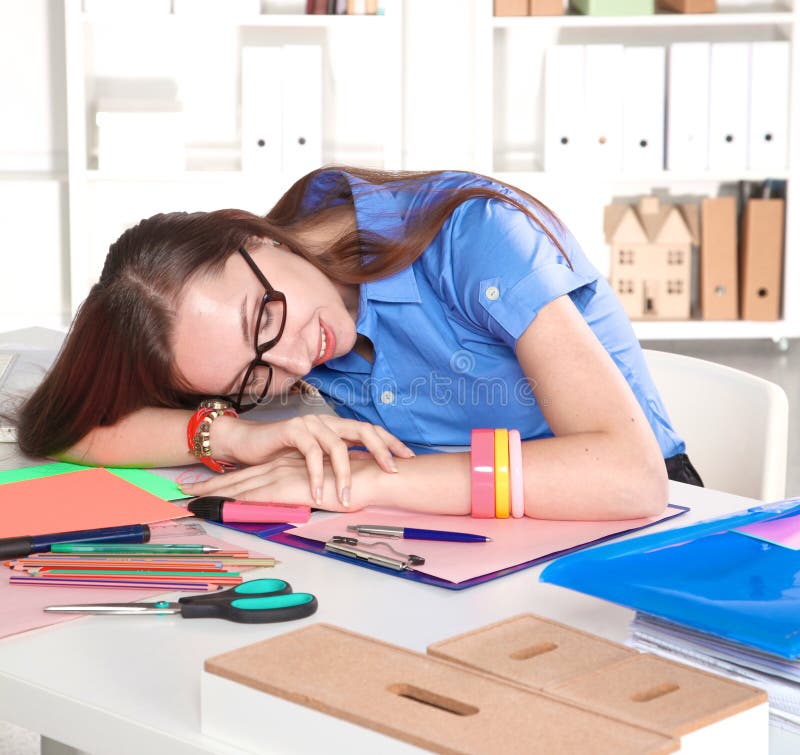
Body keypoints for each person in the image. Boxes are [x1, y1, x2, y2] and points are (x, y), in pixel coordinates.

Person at [17, 166, 702, 520]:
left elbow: (630, 476)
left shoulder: (470, 235)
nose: (291, 360)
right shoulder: (284, 338)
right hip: (478, 537)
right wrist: (234, 435)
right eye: (254, 378)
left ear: (249, 232)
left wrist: (371, 483)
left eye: (263, 319)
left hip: (639, 517)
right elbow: (70, 431)